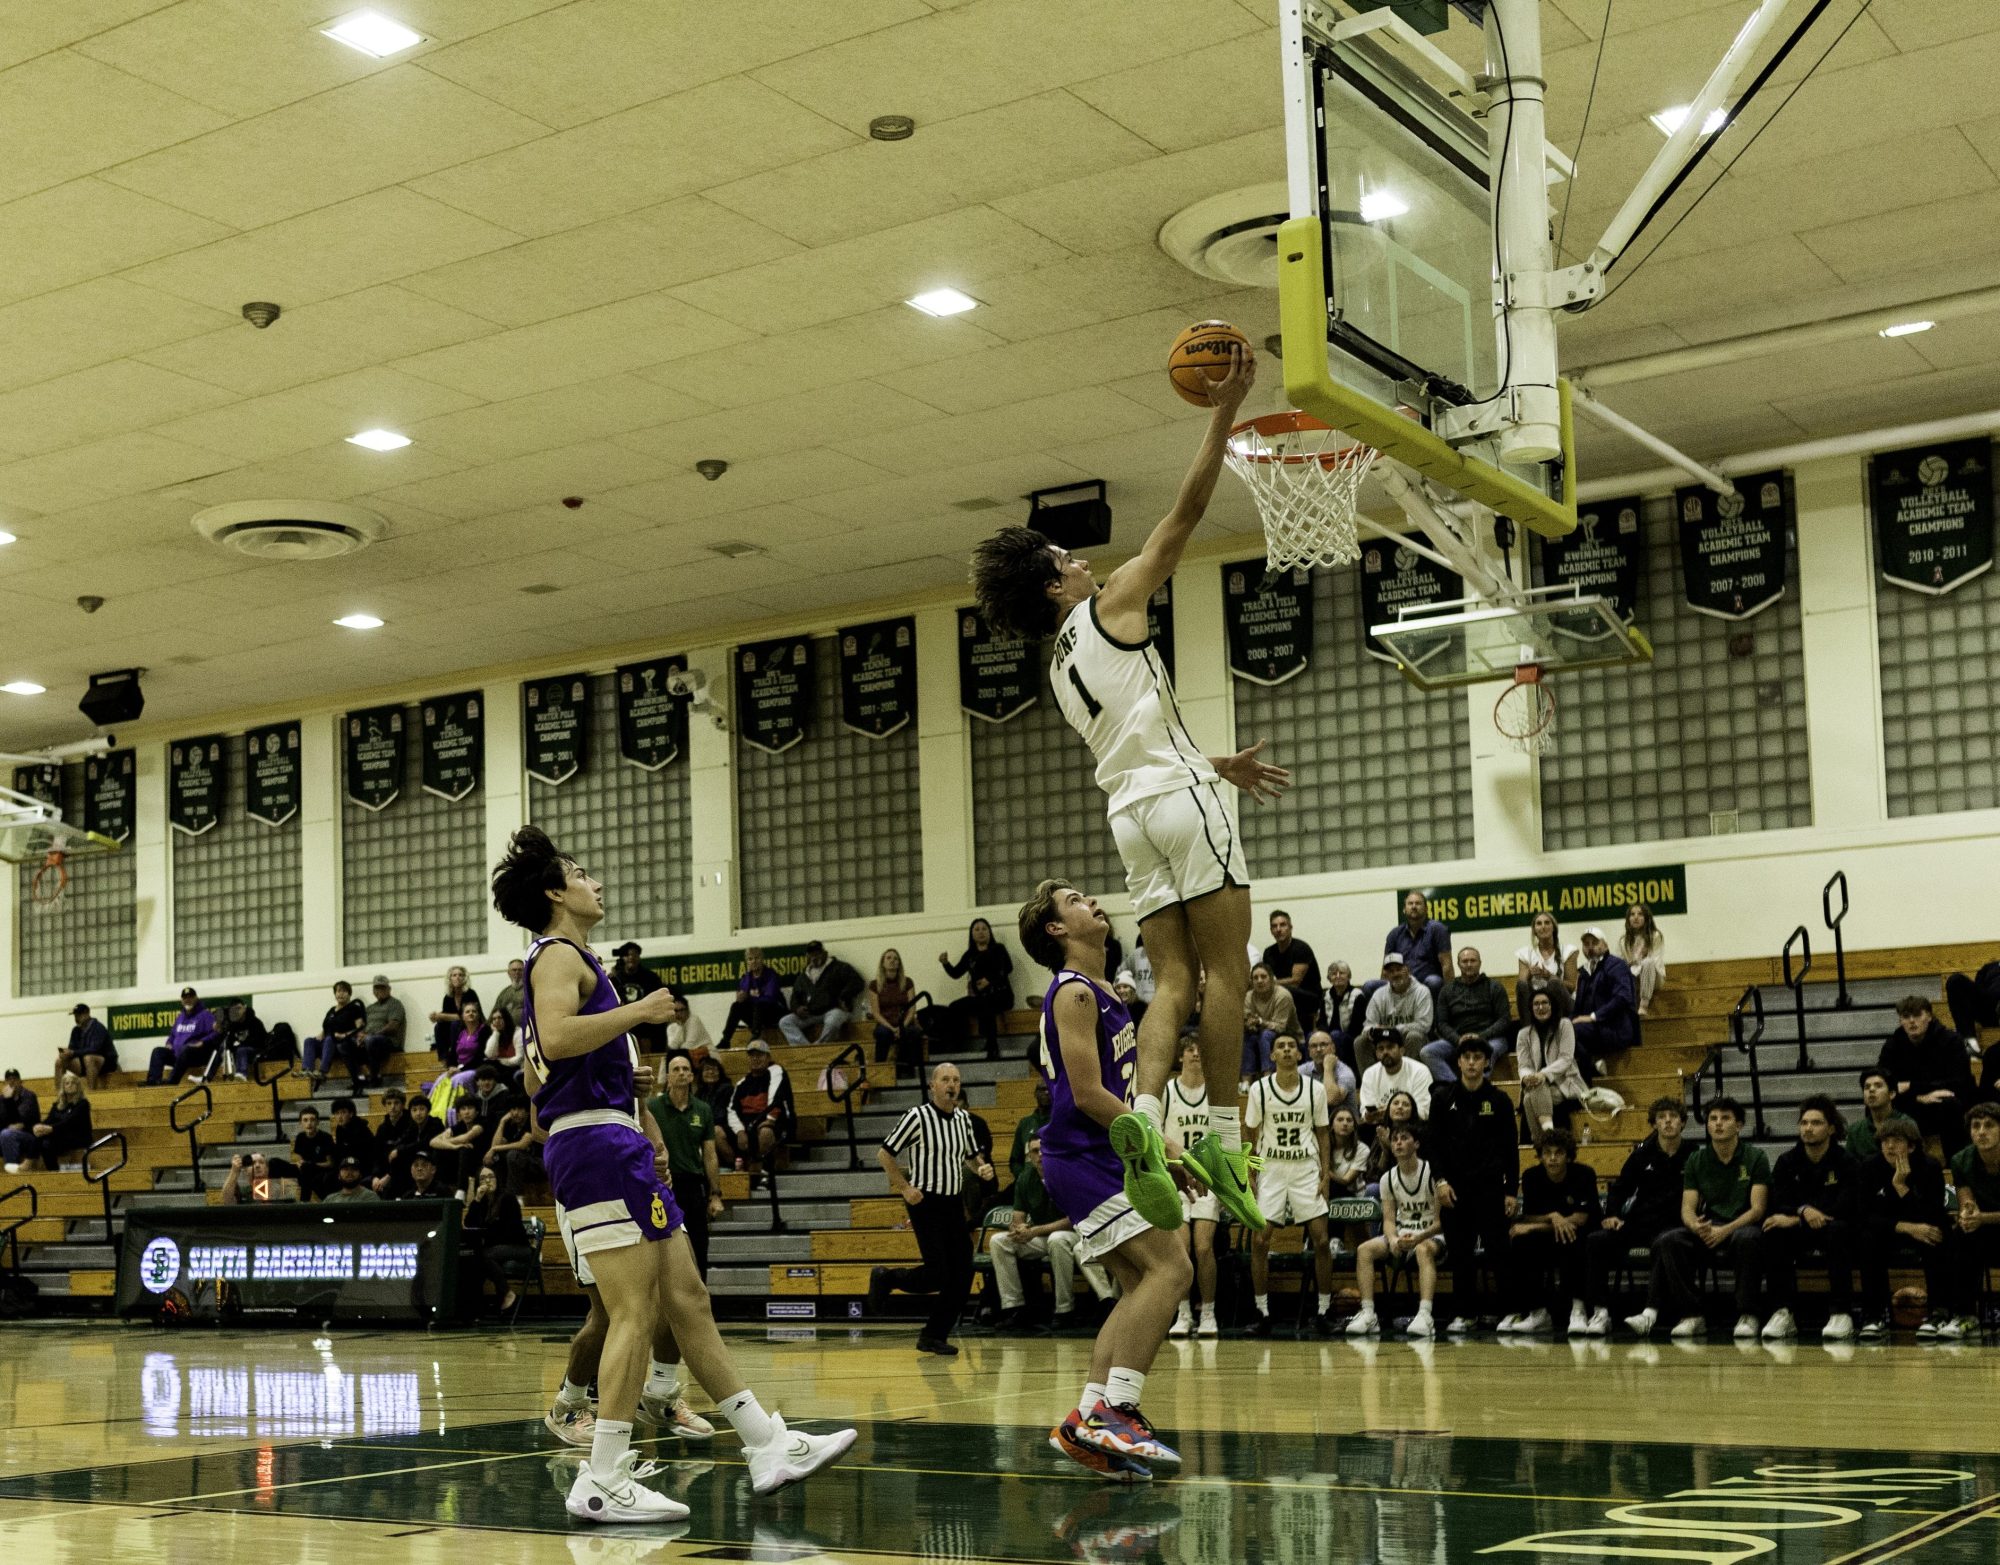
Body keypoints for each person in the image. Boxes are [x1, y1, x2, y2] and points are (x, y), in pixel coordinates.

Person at [969, 341, 1278, 1241]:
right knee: (1229, 970)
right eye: (1067, 556)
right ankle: (1221, 1136)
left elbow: (1137, 740)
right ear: (1054, 583)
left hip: (1132, 814)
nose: (1081, 559)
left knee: (1172, 977)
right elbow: (1182, 516)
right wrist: (1227, 409)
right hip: (1182, 800)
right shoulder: (1109, 604)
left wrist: (1217, 762)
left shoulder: (1056, 671)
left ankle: (1144, 1111)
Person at [491, 823, 854, 1520]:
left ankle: (765, 1441)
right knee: (633, 1310)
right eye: (582, 873)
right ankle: (602, 1476)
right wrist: (642, 1010)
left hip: (614, 1138)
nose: (595, 882)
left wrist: (631, 1097)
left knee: (687, 1299)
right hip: (595, 1144)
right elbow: (559, 1041)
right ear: (555, 892)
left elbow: (540, 1079)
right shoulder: (557, 956)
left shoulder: (572, 960)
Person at [1016, 878, 1194, 1481]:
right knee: (1174, 1270)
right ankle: (1119, 1409)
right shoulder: (1072, 994)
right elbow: (1088, 1094)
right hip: (1082, 1155)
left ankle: (1087, 1419)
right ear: (1057, 930)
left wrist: (1146, 1150)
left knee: (1141, 1280)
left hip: (1104, 1155)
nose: (1090, 900)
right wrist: (1162, 1143)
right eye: (1073, 901)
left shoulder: (1102, 991)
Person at [872, 1062, 993, 1356]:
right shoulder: (917, 1117)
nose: (952, 1085)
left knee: (963, 1274)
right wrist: (904, 1187)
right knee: (939, 1272)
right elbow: (885, 1154)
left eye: (956, 1080)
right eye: (945, 1080)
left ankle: (933, 1335)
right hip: (925, 1202)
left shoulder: (964, 1120)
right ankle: (888, 1277)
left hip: (953, 1204)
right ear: (933, 1086)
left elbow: (968, 1156)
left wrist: (981, 1168)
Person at [1625, 1097, 1769, 1341]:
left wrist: (1726, 1230)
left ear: (1739, 1125)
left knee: (1749, 1238)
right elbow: (1687, 1208)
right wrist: (1696, 1225)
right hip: (1709, 1227)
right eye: (1713, 1119)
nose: (1718, 1124)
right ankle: (1692, 1314)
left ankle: (1748, 1314)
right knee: (1668, 1240)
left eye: (1725, 1118)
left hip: (1741, 1227)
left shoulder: (1755, 1157)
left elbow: (1758, 1209)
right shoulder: (1697, 1160)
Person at [1243, 1033, 1334, 1336]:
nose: (1285, 1050)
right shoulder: (1259, 1089)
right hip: (1272, 1167)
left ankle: (1323, 1310)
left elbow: (1323, 1134)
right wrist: (1252, 1172)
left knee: (1321, 1240)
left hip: (1305, 1168)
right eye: (1280, 1047)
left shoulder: (1315, 1090)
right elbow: (1251, 1131)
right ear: (1271, 1056)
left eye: (1291, 1046)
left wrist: (1325, 1174)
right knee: (1259, 1240)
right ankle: (1261, 1311)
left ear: (1299, 1054)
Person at [1578, 1098, 1690, 1335]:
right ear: (1654, 1124)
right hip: (1641, 1223)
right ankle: (1601, 1313)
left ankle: (1651, 1313)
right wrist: (1613, 1215)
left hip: (1674, 1225)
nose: (1667, 1121)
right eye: (1661, 1117)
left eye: (1672, 1116)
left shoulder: (1693, 1154)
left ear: (1682, 1122)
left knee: (1665, 1243)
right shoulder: (1642, 1154)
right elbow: (1620, 1188)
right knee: (1596, 1240)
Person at [1431, 1037, 1520, 1334]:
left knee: (1499, 1251)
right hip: (1454, 1190)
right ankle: (1464, 1313)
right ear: (1458, 1062)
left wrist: (1511, 1191)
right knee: (1460, 1253)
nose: (1471, 1062)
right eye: (1466, 1057)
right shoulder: (1443, 1099)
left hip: (1490, 1188)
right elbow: (1435, 1146)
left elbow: (1511, 1149)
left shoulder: (1499, 1100)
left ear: (1485, 1063)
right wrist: (1440, 1181)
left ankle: (1508, 1312)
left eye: (1477, 1057)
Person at [1761, 1095, 1859, 1341]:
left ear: (1831, 1128)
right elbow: (1779, 1201)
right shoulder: (1787, 1161)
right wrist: (1803, 1211)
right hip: (1801, 1228)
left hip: (1832, 1227)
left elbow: (1845, 1206)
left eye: (1816, 1123)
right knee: (1773, 1230)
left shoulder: (1846, 1161)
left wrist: (1798, 1217)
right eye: (1804, 1123)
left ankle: (1841, 1313)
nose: (1808, 1128)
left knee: (1839, 1229)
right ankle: (1783, 1312)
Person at [988, 1135, 1110, 1329]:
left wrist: (1035, 1230)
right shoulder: (1026, 1177)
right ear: (1029, 1156)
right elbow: (1018, 1216)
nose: (1041, 1155)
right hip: (1040, 1236)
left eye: (1044, 1149)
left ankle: (1064, 1309)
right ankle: (1014, 1308)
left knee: (1057, 1239)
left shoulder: (1067, 1173)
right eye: (1035, 1151)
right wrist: (1018, 1229)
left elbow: (1074, 1219)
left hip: (1075, 1233)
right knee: (999, 1240)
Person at [1854, 1114, 1950, 1340]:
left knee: (1937, 1235)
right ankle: (1874, 1316)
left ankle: (1939, 1312)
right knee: (1867, 1239)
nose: (1888, 1145)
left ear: (1912, 1145)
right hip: (1890, 1231)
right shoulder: (1869, 1167)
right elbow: (1864, 1215)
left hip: (1924, 1227)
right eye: (1885, 1140)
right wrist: (1906, 1227)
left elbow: (1932, 1214)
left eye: (1896, 1140)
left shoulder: (1929, 1167)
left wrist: (1901, 1186)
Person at [1346, 1123, 1446, 1339]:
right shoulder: (1387, 1178)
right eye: (1395, 1139)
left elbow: (1441, 1222)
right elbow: (1389, 1220)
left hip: (1432, 1235)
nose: (1398, 1142)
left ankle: (1425, 1314)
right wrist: (1392, 1238)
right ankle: (1369, 1313)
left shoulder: (1432, 1172)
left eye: (1404, 1138)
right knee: (1365, 1250)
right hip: (1403, 1234)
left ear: (1417, 1143)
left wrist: (1419, 1237)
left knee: (1422, 1249)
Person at [1498, 1129, 1602, 1335]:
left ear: (1568, 1155)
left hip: (1579, 1233)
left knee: (1572, 1237)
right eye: (1547, 1153)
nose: (1552, 1158)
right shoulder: (1531, 1177)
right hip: (1549, 1235)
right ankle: (1538, 1313)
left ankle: (1578, 1310)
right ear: (1540, 1155)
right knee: (1522, 1241)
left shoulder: (1584, 1174)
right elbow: (1530, 1215)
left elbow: (1580, 1218)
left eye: (1558, 1153)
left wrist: (1545, 1224)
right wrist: (1553, 1217)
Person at [646, 1051, 725, 1276]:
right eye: (676, 1069)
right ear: (668, 1077)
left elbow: (710, 1155)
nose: (681, 1073)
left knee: (699, 1246)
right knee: (665, 1246)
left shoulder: (703, 1109)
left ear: (692, 1076)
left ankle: (700, 1302)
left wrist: (715, 1193)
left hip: (693, 1186)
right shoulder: (652, 1108)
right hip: (663, 1186)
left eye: (686, 1069)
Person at [1163, 1039, 1220, 1339]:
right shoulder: (1168, 1091)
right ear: (1180, 1055)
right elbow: (1155, 1132)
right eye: (1189, 1049)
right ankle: (1183, 1314)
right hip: (1175, 1178)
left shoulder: (1214, 1089)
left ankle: (1208, 1312)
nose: (1196, 1053)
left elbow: (1225, 1135)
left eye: (1200, 1048)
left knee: (1203, 1247)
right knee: (1181, 1249)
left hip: (1208, 1178)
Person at [1878, 995, 1975, 1156]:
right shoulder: (1893, 1044)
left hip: (1943, 1103)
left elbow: (1960, 1081)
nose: (1911, 1021)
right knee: (1878, 1101)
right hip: (1911, 1103)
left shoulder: (1951, 1040)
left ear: (1929, 1016)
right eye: (1906, 1017)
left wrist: (1911, 1087)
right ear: (1900, 1020)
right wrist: (1918, 1096)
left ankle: (1955, 1166)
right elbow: (1885, 1082)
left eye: (1917, 1015)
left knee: (1951, 1105)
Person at [1945, 1102, 2000, 1339]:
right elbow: (1966, 1200)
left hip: (1992, 1222)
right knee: (1961, 1234)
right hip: (1987, 1230)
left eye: (1989, 1125)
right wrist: (1968, 1214)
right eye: (1976, 1126)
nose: (1981, 1131)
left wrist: (1984, 1218)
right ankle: (1966, 1317)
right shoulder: (1961, 1160)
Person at [1422, 947, 1514, 1082]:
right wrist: (1458, 1039)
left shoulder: (1494, 987)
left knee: (1491, 1049)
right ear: (1458, 964)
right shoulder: (1447, 990)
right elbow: (1441, 1023)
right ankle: (1456, 1088)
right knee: (1427, 1052)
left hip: (1490, 1039)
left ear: (1480, 963)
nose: (1469, 964)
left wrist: (1481, 1037)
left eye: (1473, 960)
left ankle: (1479, 1086)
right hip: (1457, 1040)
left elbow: (1504, 1020)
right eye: (1465, 961)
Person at [462, 1165, 536, 1316]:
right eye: (483, 1178)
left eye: (491, 1176)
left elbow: (510, 1230)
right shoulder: (482, 1202)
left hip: (518, 1247)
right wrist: (476, 1200)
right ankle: (474, 1309)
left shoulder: (508, 1198)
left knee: (482, 1255)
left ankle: (506, 1292)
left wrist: (488, 1232)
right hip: (496, 1250)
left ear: (497, 1179)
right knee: (473, 1260)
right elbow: (469, 1224)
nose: (487, 1180)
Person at [722, 1039, 794, 1192]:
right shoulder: (742, 1083)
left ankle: (765, 1173)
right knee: (717, 1132)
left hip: (776, 1121)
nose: (756, 1059)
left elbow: (776, 1100)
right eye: (752, 1055)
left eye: (760, 1055)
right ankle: (737, 1170)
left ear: (768, 1057)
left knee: (765, 1131)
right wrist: (740, 1131)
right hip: (748, 1125)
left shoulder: (776, 1071)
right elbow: (731, 1110)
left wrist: (769, 1120)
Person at [936, 919, 1015, 1059]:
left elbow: (1008, 968)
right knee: (954, 1006)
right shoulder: (970, 955)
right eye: (977, 929)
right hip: (980, 998)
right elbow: (956, 973)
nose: (981, 932)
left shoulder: (998, 949)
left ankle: (992, 1046)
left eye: (984, 929)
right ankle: (958, 1043)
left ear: (989, 932)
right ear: (972, 934)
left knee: (987, 1002)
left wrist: (989, 981)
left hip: (1001, 995)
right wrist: (945, 963)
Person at [1515, 991, 1584, 1142]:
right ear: (1531, 1008)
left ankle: (1540, 1139)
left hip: (1565, 1084)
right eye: (1536, 1004)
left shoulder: (1564, 1025)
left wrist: (1543, 1075)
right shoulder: (1523, 1034)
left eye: (1545, 1002)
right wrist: (1527, 1077)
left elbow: (1566, 1059)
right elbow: (1523, 1064)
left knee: (1529, 1098)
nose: (1541, 1007)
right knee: (1535, 1089)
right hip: (1538, 1086)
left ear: (1552, 1005)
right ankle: (1549, 1137)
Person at [1573, 928, 1641, 1078]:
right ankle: (1592, 1068)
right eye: (1586, 944)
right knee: (1563, 1031)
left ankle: (1590, 1071)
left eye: (1595, 942)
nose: (1590, 947)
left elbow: (1622, 998)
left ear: (1605, 945)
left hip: (1615, 1027)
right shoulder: (1584, 972)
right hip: (1593, 1029)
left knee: (1572, 1032)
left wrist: (1593, 1017)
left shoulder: (1617, 965)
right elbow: (1578, 1008)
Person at [779, 938, 864, 1049]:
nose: (814, 957)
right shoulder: (803, 976)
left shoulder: (839, 967)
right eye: (811, 954)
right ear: (808, 957)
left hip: (833, 1010)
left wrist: (843, 996)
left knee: (833, 1020)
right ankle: (806, 1049)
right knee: (785, 1022)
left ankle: (819, 1047)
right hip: (810, 1013)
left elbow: (858, 982)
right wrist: (797, 1008)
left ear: (825, 953)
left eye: (817, 953)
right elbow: (795, 996)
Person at [0, 1072, 89, 1172]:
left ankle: (26, 1165)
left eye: (73, 1083)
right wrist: (39, 1126)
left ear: (78, 1086)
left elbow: (69, 1122)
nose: (70, 1085)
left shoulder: (82, 1104)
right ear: (63, 1086)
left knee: (44, 1137)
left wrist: (51, 1129)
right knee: (45, 1142)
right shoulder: (58, 1105)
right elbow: (49, 1119)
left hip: (77, 1137)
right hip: (60, 1136)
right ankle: (53, 1171)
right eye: (67, 1083)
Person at [1374, 890, 1452, 1003]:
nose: (1414, 906)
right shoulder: (1394, 934)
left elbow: (1447, 965)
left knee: (1434, 982)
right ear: (1404, 909)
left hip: (1427, 983)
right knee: (1369, 986)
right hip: (1401, 983)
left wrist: (1450, 995)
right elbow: (1385, 969)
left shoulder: (1438, 929)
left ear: (1426, 909)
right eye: (1410, 904)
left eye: (1418, 903)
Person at [1360, 955, 1433, 1073]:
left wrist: (1393, 1030)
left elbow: (1424, 1025)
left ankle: (1408, 1080)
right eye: (1391, 971)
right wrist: (1373, 1030)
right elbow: (1368, 1024)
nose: (1395, 974)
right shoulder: (1379, 994)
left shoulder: (1422, 992)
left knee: (1414, 1036)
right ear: (1386, 975)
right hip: (1383, 1038)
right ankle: (1370, 1083)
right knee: (1360, 1041)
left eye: (1399, 969)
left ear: (1408, 970)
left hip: (1408, 1038)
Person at [1262, 911, 1321, 1038]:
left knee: (1285, 991)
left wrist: (1270, 984)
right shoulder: (1269, 952)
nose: (1278, 929)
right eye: (1274, 926)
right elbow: (1267, 977)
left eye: (1282, 925)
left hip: (1309, 996)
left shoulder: (1300, 948)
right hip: (1284, 994)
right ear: (1271, 930)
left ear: (1290, 928)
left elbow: (1296, 981)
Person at [1240, 963, 1301, 1082]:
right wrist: (1248, 1025)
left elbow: (1281, 1027)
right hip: (1259, 1033)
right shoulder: (1248, 996)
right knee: (1246, 1037)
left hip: (1289, 1034)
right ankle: (1245, 1084)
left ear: (1272, 979)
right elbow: (1247, 1020)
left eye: (1263, 977)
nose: (1259, 981)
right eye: (1255, 978)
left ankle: (1267, 1080)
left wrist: (1260, 1021)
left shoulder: (1282, 995)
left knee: (1266, 1035)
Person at [1358, 1026, 1432, 1124]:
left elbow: (1424, 1112)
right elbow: (1365, 1112)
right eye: (1381, 1048)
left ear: (1402, 1050)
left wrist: (1391, 1112)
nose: (1385, 1052)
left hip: (1411, 1126)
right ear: (1376, 1053)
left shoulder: (1420, 1071)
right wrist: (1369, 1116)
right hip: (1381, 1125)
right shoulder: (1370, 1074)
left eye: (1390, 1047)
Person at [146, 989, 218, 1087]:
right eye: (185, 998)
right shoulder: (180, 1017)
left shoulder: (205, 1015)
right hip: (178, 1056)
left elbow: (216, 1032)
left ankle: (172, 1081)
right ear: (182, 1000)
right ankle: (153, 1082)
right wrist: (169, 1043)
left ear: (196, 998)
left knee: (186, 1048)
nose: (188, 1000)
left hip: (196, 1056)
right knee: (158, 1052)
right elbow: (172, 1035)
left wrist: (202, 1041)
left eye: (190, 997)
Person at [1515, 912, 1578, 1022]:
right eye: (1539, 924)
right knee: (1521, 985)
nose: (1543, 926)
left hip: (1563, 1004)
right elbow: (1522, 987)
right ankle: (1528, 1030)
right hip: (1537, 1003)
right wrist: (1530, 972)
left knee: (1554, 983)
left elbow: (1572, 987)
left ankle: (1559, 1029)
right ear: (1534, 930)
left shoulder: (1568, 951)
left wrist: (1549, 976)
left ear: (1554, 928)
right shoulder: (1525, 953)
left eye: (1547, 923)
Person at [302, 982, 365, 1088]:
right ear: (335, 994)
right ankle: (307, 1070)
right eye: (338, 991)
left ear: (349, 994)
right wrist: (320, 1035)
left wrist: (344, 1035)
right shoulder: (331, 1010)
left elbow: (359, 1029)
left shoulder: (354, 1008)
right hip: (327, 1042)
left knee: (329, 1039)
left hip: (340, 1044)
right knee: (309, 1040)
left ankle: (322, 1072)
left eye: (344, 991)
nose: (341, 994)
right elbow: (325, 1027)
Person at [348, 975, 406, 1089]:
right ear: (373, 991)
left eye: (383, 988)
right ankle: (359, 1079)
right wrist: (360, 1035)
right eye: (377, 988)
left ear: (389, 989)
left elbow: (393, 1026)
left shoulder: (395, 1004)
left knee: (371, 1040)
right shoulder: (369, 1008)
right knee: (346, 1043)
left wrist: (371, 1035)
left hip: (388, 1041)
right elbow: (361, 1027)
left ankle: (375, 1078)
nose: (380, 991)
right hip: (369, 1039)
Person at [607, 943, 666, 1052]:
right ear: (622, 958)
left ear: (639, 957)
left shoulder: (650, 978)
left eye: (634, 954)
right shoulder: (616, 978)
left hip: (646, 1027)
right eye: (627, 955)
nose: (631, 957)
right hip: (624, 1026)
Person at [1943, 959, 1999, 1072]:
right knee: (1955, 980)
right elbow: (1977, 993)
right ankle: (1970, 1044)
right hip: (1991, 1009)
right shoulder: (1989, 968)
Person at [721, 949, 786, 1044]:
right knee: (736, 1006)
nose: (754, 961)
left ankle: (756, 1036)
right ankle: (725, 1040)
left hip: (772, 1014)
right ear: (747, 962)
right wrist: (740, 998)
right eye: (750, 959)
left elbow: (770, 998)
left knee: (759, 1004)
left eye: (756, 958)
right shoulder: (746, 977)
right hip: (756, 1016)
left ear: (762, 959)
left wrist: (750, 997)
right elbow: (742, 998)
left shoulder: (771, 975)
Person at [370, 1090, 424, 1195]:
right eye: (389, 1103)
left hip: (405, 1171)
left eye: (396, 1103)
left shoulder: (411, 1124)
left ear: (403, 1105)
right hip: (385, 1172)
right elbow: (377, 1155)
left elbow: (408, 1153)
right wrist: (375, 1177)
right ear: (384, 1106)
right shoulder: (382, 1128)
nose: (392, 1107)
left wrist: (389, 1176)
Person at [431, 1098, 491, 1192]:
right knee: (439, 1152)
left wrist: (447, 1140)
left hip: (482, 1160)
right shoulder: (460, 1126)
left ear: (477, 1111)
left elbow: (466, 1138)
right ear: (459, 1113)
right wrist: (453, 1146)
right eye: (463, 1109)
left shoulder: (482, 1122)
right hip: (463, 1163)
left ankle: (461, 1191)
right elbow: (433, 1142)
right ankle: (441, 1188)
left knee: (464, 1149)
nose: (466, 1112)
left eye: (470, 1108)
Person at [54, 1002, 117, 1089]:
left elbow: (95, 1049)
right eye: (75, 1015)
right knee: (60, 1060)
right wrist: (66, 1053)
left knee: (89, 1058)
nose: (76, 1018)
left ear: (87, 1013)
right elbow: (73, 1050)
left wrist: (73, 1052)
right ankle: (59, 1095)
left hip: (106, 1062)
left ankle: (92, 1094)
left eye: (79, 1015)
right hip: (85, 1062)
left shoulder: (98, 1028)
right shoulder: (76, 1030)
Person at [1620, 903, 1668, 1017]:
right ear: (1628, 919)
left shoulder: (1655, 936)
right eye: (1632, 914)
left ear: (1647, 918)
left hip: (1653, 976)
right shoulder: (1624, 940)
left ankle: (1644, 1004)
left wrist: (1636, 964)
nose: (1636, 917)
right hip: (1634, 977)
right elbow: (1623, 963)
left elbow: (1654, 960)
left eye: (1640, 914)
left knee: (1648, 962)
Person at [1319, 961, 1367, 1070]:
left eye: (1342, 973)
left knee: (1335, 1036)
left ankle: (1339, 1072)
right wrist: (1322, 1035)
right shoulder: (1326, 996)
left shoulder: (1357, 996)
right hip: (1330, 1035)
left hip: (1351, 1036)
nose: (1338, 976)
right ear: (1329, 978)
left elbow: (1358, 1026)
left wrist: (1331, 1037)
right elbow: (1321, 1021)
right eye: (1334, 974)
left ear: (1349, 976)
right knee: (1312, 1038)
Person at [428, 966, 479, 1065]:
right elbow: (446, 1015)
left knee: (455, 1024)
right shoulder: (448, 997)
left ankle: (453, 1056)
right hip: (454, 1028)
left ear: (465, 978)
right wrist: (436, 1017)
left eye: (460, 975)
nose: (457, 977)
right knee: (439, 1026)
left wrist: (441, 1016)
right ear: (450, 979)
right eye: (454, 975)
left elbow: (465, 1015)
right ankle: (443, 1059)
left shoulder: (470, 993)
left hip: (471, 1025)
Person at [1846, 1067, 1898, 1160]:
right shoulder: (1855, 1131)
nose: (1871, 1090)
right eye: (1867, 1087)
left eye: (1878, 1086)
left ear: (1892, 1094)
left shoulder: (1907, 1124)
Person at [1009, 1079, 1052, 1183]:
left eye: (1049, 1089)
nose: (1046, 1092)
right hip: (1029, 1182)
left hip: (1055, 1178)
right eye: (1042, 1089)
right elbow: (1015, 1160)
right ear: (1035, 1094)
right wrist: (1023, 1177)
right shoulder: (1025, 1123)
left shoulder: (1061, 1121)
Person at [217, 1000, 270, 1081]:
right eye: (234, 1010)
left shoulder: (255, 1022)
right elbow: (229, 1041)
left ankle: (242, 1074)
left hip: (256, 1050)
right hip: (239, 1050)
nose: (237, 1011)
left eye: (239, 1008)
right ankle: (207, 1077)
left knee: (242, 1049)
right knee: (222, 1047)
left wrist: (239, 1044)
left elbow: (258, 1041)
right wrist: (220, 1031)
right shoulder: (233, 1025)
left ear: (244, 1008)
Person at [292, 1105, 337, 1200]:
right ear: (300, 1123)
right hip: (305, 1170)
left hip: (321, 1170)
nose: (309, 1123)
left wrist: (311, 1164)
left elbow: (331, 1164)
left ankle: (305, 1204)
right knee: (275, 1163)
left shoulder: (325, 1137)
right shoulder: (300, 1137)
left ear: (317, 1122)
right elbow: (300, 1160)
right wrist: (300, 1163)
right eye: (305, 1120)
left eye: (312, 1120)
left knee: (307, 1170)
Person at [221, 1151, 295, 1204]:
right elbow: (228, 1201)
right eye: (253, 1163)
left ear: (268, 1169)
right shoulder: (243, 1193)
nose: (257, 1166)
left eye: (261, 1162)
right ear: (246, 1171)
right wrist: (234, 1171)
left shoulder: (283, 1190)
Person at [666, 993, 713, 1061]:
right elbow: (673, 1047)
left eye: (681, 1010)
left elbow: (688, 1046)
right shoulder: (671, 1027)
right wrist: (679, 1025)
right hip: (687, 1057)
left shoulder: (694, 1020)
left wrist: (680, 1025)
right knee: (667, 1060)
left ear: (687, 1010)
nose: (678, 1014)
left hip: (706, 1056)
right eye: (676, 1011)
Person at [492, 958, 527, 1027]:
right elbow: (494, 1014)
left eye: (520, 970)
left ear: (525, 972)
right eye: (514, 970)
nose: (517, 972)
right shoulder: (504, 993)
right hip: (507, 1032)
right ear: (508, 973)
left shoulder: (530, 991)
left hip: (525, 1031)